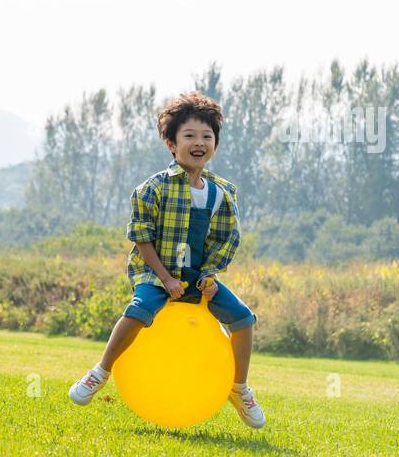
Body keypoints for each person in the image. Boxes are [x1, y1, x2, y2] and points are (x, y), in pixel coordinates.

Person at [69, 91, 265, 428]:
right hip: (156, 273)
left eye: (207, 135)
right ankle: (100, 371)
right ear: (171, 143)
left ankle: (238, 387)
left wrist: (209, 276)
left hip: (197, 276)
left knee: (244, 319)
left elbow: (224, 240)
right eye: (189, 135)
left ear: (215, 142)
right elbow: (142, 238)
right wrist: (166, 279)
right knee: (140, 310)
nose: (199, 142)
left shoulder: (221, 192)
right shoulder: (154, 188)